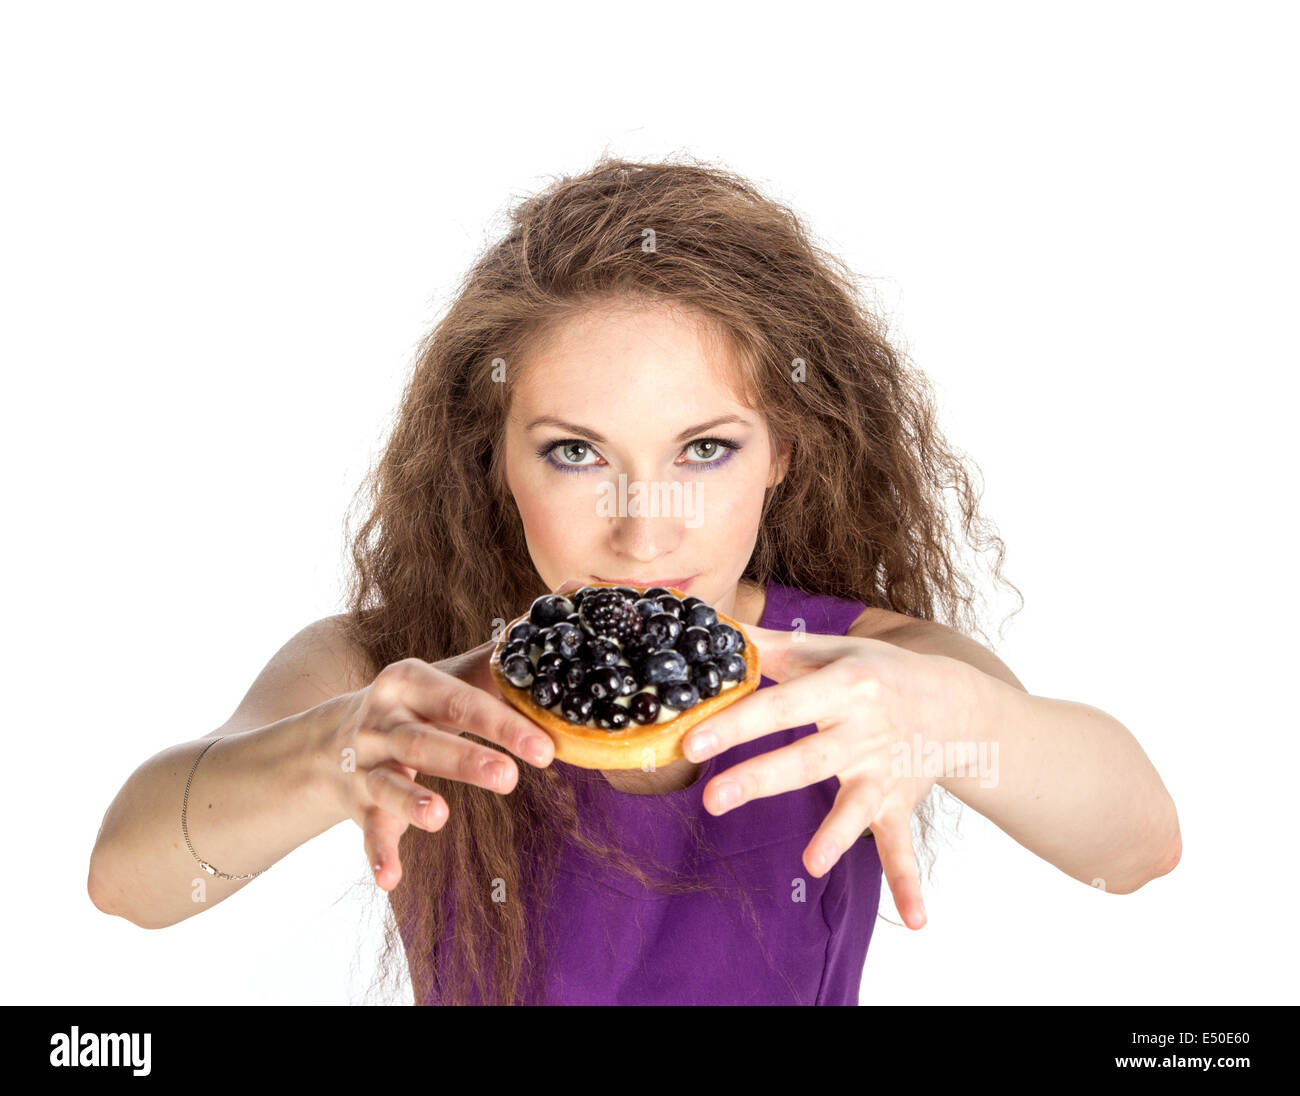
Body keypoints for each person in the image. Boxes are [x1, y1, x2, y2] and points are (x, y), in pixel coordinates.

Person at [88, 155, 1181, 1005]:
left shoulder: (866, 672)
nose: (644, 528)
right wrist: (323, 754)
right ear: (496, 458)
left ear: (784, 452)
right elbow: (128, 883)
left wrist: (957, 716)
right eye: (575, 453)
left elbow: (1135, 848)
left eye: (705, 449)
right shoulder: (395, 675)